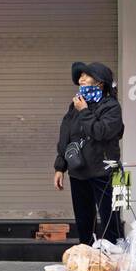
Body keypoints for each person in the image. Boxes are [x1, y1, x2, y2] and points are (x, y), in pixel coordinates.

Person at [54, 60, 124, 245]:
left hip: (105, 172)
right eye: (80, 76)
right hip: (78, 172)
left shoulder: (111, 107)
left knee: (110, 220)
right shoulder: (76, 105)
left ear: (100, 82)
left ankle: (113, 258)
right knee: (84, 221)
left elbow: (101, 132)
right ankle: (86, 257)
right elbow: (66, 135)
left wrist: (84, 111)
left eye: (86, 75)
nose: (81, 79)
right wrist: (60, 166)